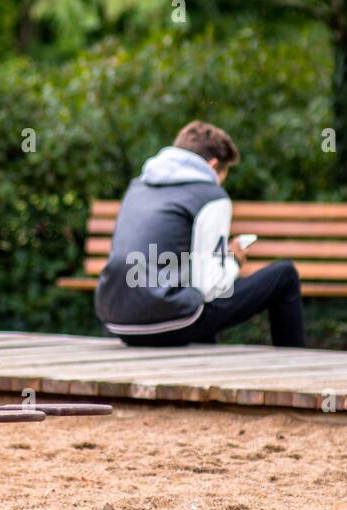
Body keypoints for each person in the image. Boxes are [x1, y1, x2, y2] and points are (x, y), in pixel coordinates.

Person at [94, 121, 306, 347]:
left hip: (118, 322)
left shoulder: (137, 187)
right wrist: (233, 260)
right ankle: (300, 371)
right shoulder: (211, 195)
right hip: (171, 322)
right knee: (285, 275)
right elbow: (210, 286)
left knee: (193, 295)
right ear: (213, 165)